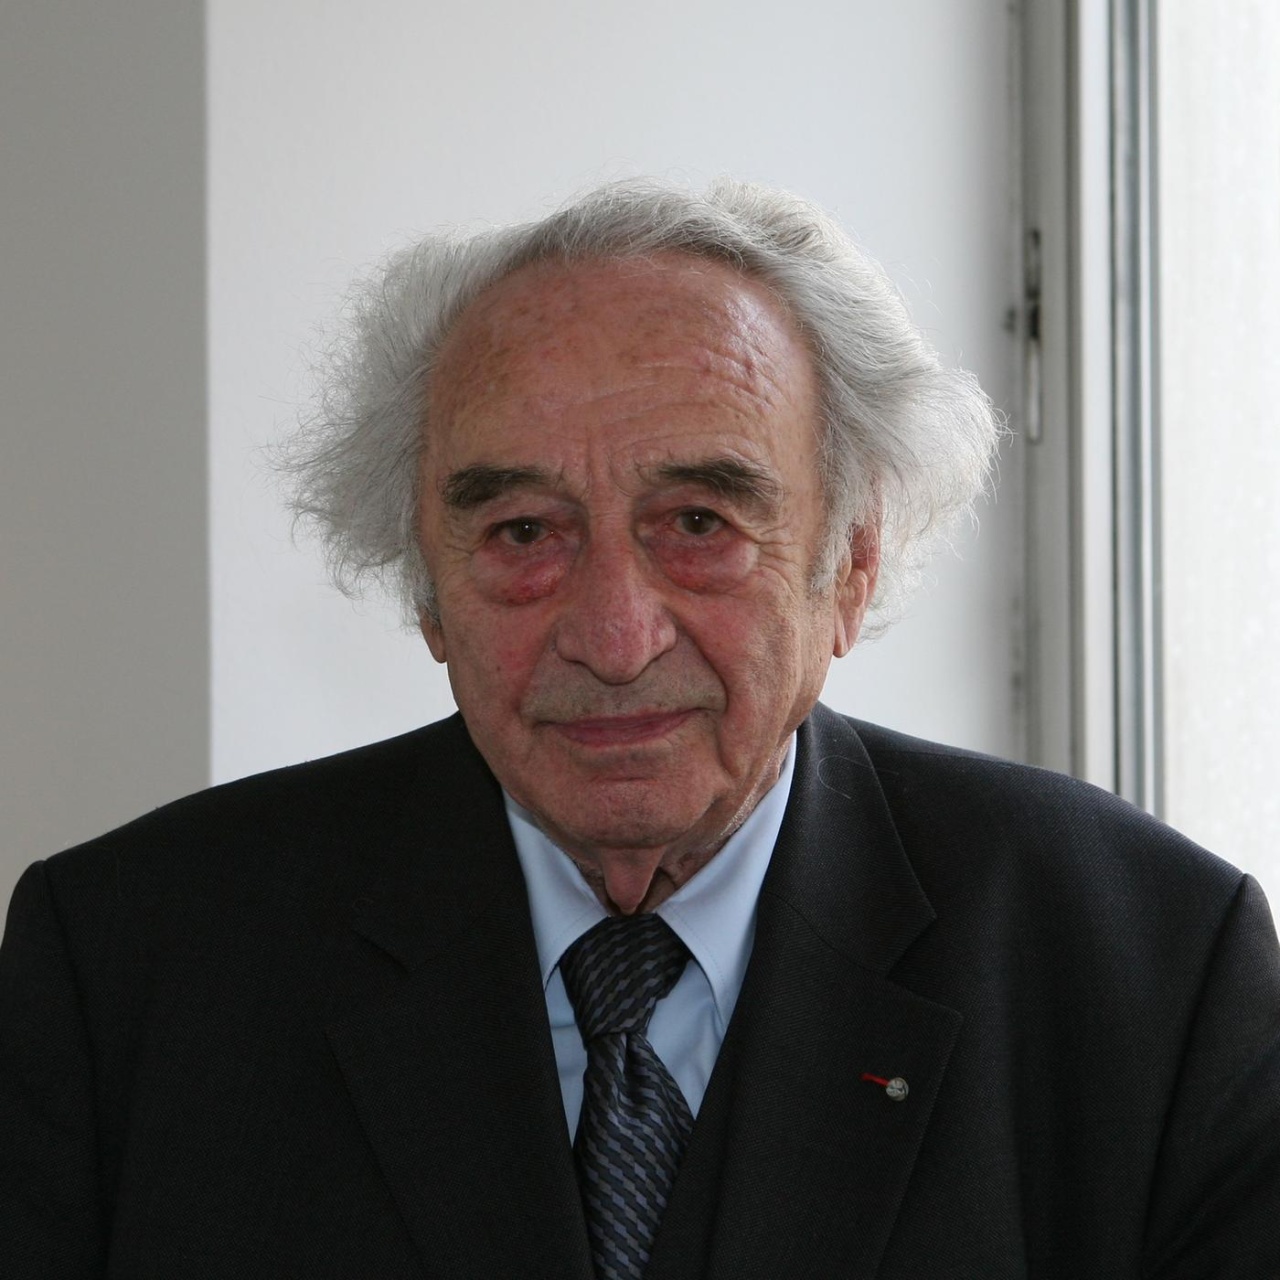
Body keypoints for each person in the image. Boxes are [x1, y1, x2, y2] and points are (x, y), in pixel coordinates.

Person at [2, 179, 1278, 1279]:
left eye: (699, 524)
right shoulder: (128, 965)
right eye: (521, 532)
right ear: (427, 591)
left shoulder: (1148, 968)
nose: (613, 637)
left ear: (848, 566)